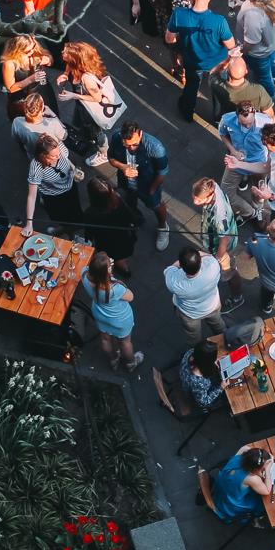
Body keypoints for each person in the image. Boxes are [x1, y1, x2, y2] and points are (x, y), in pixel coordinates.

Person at [165, 0, 239, 121]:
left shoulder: (179, 14)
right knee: (219, 90)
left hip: (192, 60)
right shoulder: (219, 21)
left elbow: (169, 39)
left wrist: (181, 47)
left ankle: (187, 112)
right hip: (217, 62)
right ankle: (219, 118)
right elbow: (231, 46)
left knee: (191, 88)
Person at [108, 122, 171, 251]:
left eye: (135, 144)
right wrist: (123, 167)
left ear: (141, 133)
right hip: (125, 182)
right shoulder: (116, 137)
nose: (131, 148)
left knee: (156, 205)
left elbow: (162, 172)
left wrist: (152, 190)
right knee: (127, 203)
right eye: (127, 145)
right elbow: (111, 158)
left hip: (147, 184)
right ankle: (135, 218)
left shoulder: (155, 148)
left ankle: (163, 227)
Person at [83, 251, 142, 371]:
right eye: (108, 263)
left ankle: (113, 358)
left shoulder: (84, 275)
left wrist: (107, 270)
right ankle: (131, 363)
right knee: (125, 342)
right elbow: (131, 296)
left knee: (105, 338)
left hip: (100, 314)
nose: (110, 259)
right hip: (120, 319)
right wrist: (114, 278)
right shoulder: (115, 289)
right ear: (107, 272)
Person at [59, 41, 126, 144]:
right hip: (82, 106)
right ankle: (87, 136)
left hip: (91, 110)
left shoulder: (86, 78)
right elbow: (68, 67)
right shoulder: (72, 64)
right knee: (82, 124)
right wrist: (65, 75)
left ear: (75, 59)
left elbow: (98, 98)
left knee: (95, 131)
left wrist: (74, 95)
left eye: (66, 52)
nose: (62, 52)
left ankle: (103, 151)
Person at [191, 176, 242, 298]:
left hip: (222, 248)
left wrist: (218, 258)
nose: (194, 202)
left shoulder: (219, 216)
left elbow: (225, 240)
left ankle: (237, 297)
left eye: (198, 200)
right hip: (216, 236)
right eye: (194, 197)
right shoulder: (212, 185)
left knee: (229, 273)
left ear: (209, 195)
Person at [164, 244, 225, 343]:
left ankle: (198, 349)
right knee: (218, 324)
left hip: (190, 314)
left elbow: (169, 270)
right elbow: (208, 256)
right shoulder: (213, 266)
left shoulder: (175, 283)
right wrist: (198, 253)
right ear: (200, 261)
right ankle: (224, 340)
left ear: (183, 267)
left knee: (193, 336)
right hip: (212, 306)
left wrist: (181, 262)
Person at [24, 133, 85, 230]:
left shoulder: (58, 146)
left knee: (76, 210)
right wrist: (29, 223)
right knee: (62, 217)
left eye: (58, 153)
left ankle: (75, 226)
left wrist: (75, 170)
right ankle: (65, 229)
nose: (58, 156)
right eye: (54, 156)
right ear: (43, 156)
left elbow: (66, 158)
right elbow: (31, 197)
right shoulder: (36, 167)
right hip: (54, 197)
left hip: (70, 188)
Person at [234, 0, 275, 97]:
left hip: (258, 54)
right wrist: (241, 3)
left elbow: (251, 42)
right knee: (273, 61)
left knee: (264, 77)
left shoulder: (253, 17)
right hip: (269, 47)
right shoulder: (267, 0)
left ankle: (270, 97)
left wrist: (242, 52)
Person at [210, 446, 273, 523]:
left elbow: (252, 452)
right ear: (255, 469)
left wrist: (263, 460)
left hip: (222, 490)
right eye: (262, 468)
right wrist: (267, 470)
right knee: (264, 502)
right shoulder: (251, 479)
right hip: (233, 504)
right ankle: (257, 517)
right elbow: (267, 491)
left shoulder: (244, 450)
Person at [0, 34, 55, 117]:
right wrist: (30, 79)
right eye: (27, 51)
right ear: (17, 50)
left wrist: (48, 59)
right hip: (24, 98)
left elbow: (49, 58)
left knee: (50, 114)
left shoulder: (33, 46)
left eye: (33, 48)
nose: (32, 51)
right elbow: (10, 88)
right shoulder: (9, 63)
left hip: (41, 89)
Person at [10, 88, 68, 160]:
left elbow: (16, 138)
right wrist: (53, 115)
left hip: (32, 155)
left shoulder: (17, 121)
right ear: (42, 108)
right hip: (52, 156)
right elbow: (64, 136)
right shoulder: (53, 123)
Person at [177, 339, 226, 415]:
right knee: (227, 396)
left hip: (185, 379)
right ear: (207, 362)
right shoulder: (199, 382)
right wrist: (221, 387)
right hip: (193, 395)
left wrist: (213, 361)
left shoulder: (191, 352)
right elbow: (204, 402)